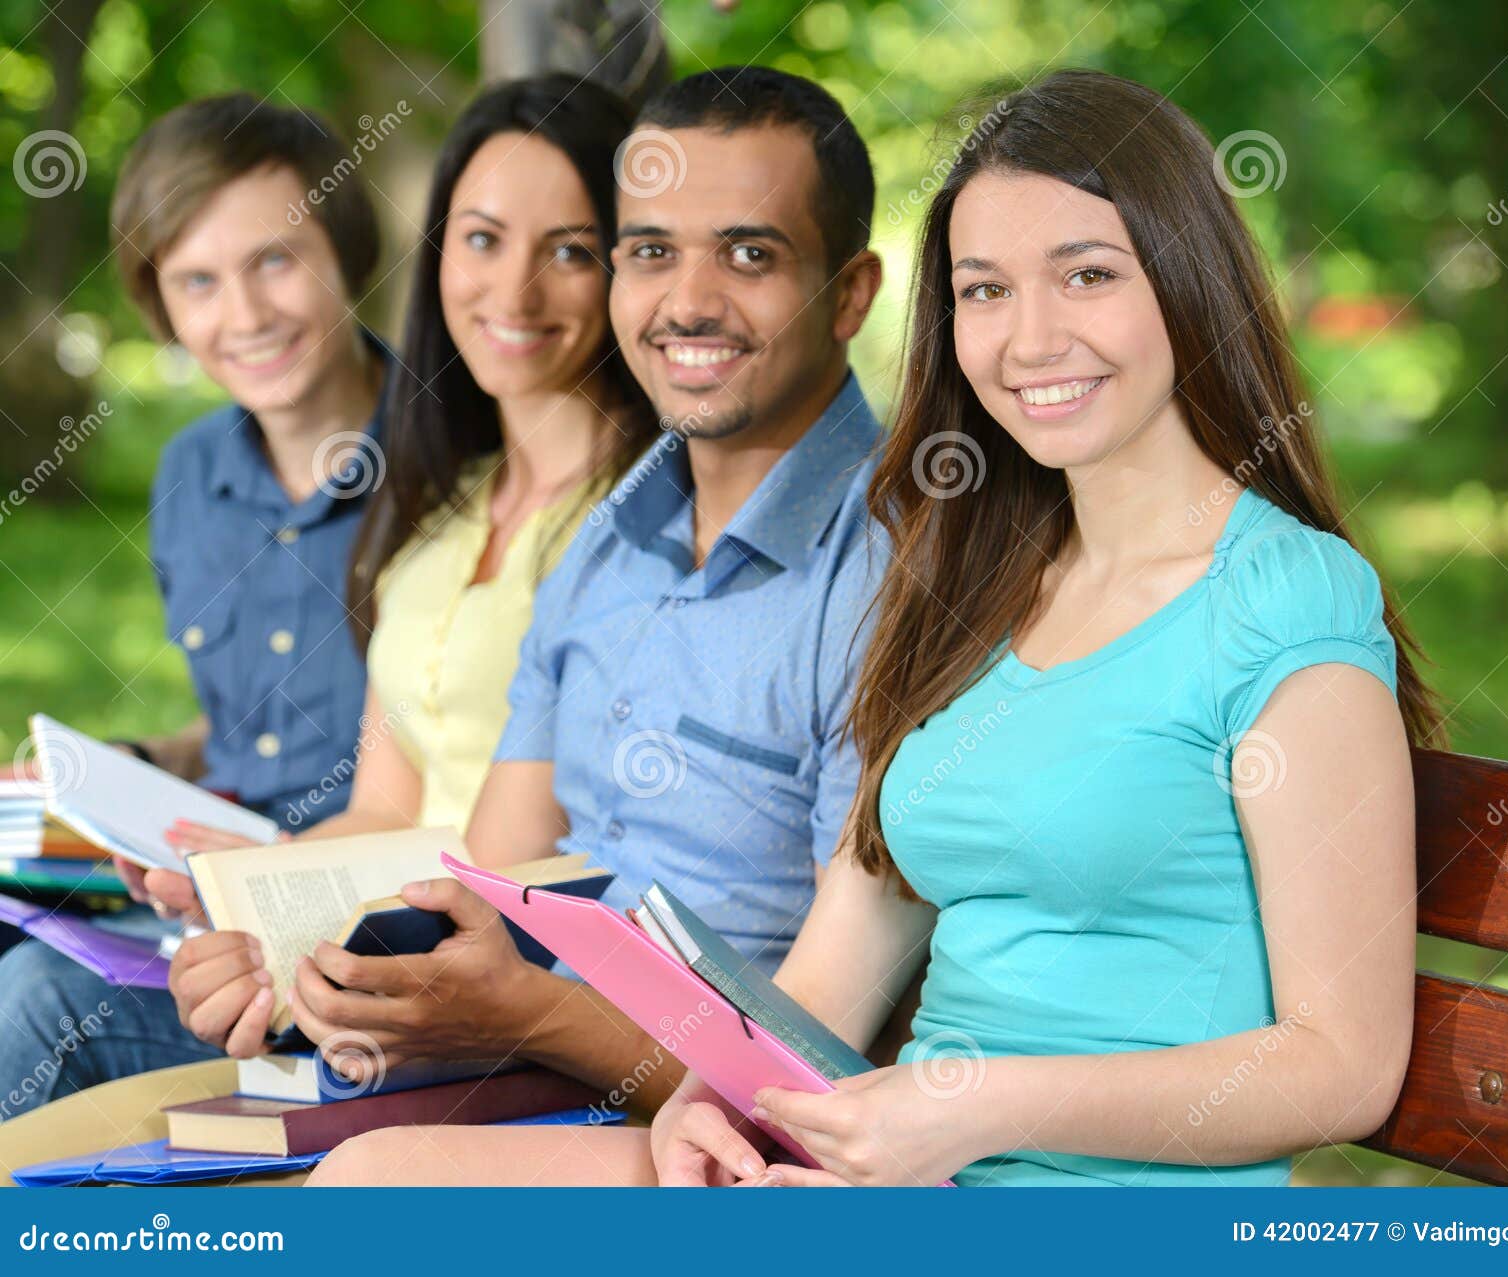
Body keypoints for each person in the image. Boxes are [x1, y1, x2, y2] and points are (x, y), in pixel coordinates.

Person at [324, 68, 1433, 1187]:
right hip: (883, 1175)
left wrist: (969, 1107)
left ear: (1190, 284)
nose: (1030, 337)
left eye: (1087, 275)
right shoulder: (971, 583)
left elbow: (1341, 1066)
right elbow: (824, 989)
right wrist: (709, 1105)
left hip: (1076, 1204)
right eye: (986, 291)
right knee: (370, 1180)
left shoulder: (1283, 597)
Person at [301, 66, 886, 1181]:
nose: (689, 301)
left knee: (360, 1190)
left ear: (850, 294)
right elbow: (497, 876)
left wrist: (532, 1018)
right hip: (542, 1072)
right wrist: (352, 969)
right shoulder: (601, 546)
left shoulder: (893, 573)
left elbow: (833, 1056)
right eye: (652, 251)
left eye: (750, 254)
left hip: (739, 1134)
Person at [152, 75, 658, 1059]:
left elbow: (543, 868)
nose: (513, 293)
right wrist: (246, 896)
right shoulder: (436, 510)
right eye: (481, 240)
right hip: (386, 953)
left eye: (569, 251)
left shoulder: (637, 522)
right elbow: (382, 807)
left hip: (506, 994)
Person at [0, 93, 388, 1119]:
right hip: (187, 884)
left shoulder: (446, 465)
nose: (245, 316)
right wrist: (111, 765)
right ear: (161, 306)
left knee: (33, 1005)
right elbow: (239, 726)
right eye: (198, 282)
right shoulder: (192, 472)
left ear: (346, 252)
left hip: (333, 935)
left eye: (275, 260)